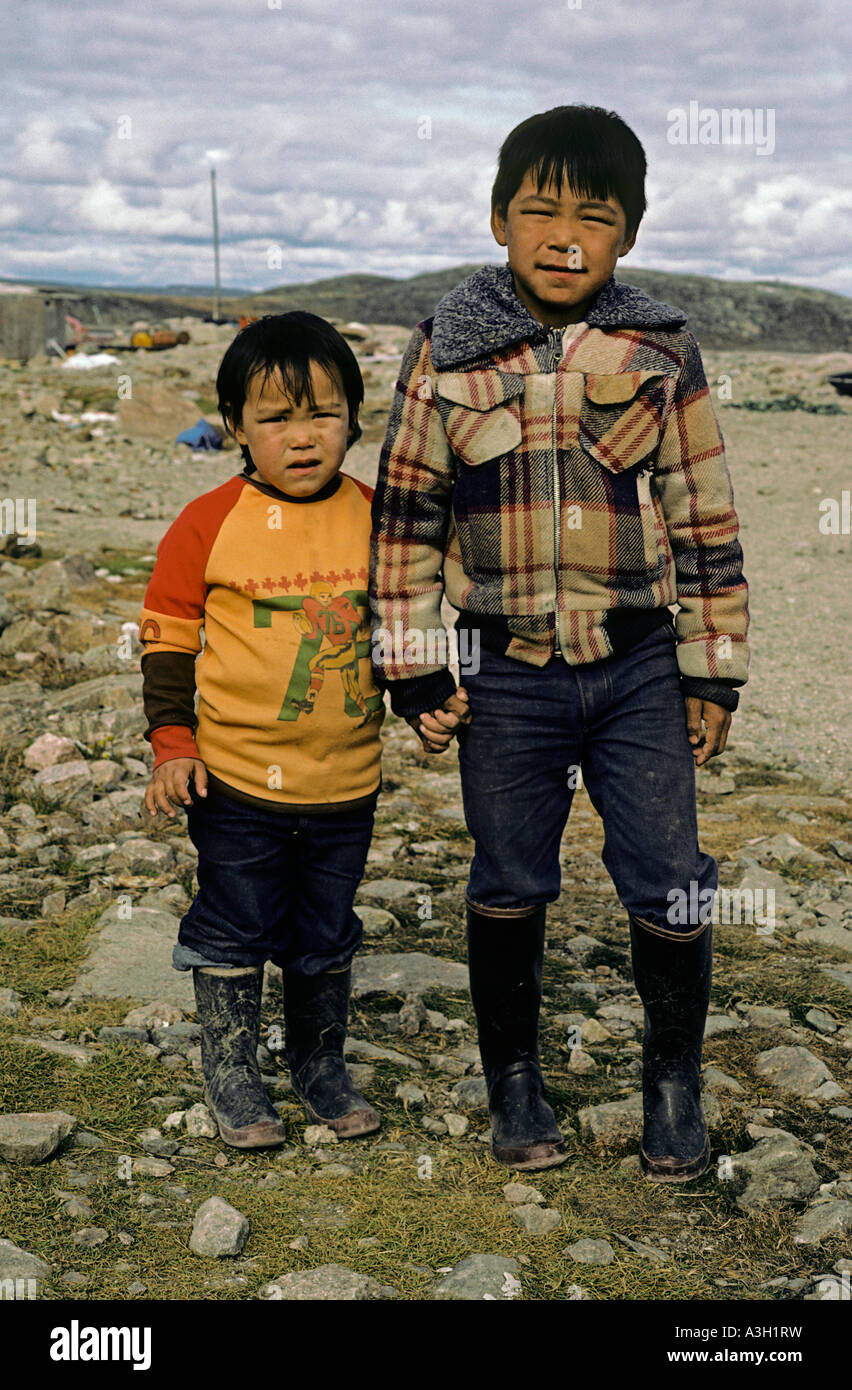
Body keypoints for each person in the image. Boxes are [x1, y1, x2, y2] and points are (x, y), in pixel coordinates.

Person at [369, 105, 749, 1179]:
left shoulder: (661, 347)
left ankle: (673, 1084)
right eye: (540, 209)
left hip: (636, 664)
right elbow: (403, 521)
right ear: (499, 220)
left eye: (597, 214)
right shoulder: (446, 345)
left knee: (669, 873)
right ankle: (516, 1085)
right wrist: (409, 663)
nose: (566, 233)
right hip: (503, 668)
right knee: (510, 875)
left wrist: (712, 669)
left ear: (626, 235)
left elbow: (708, 515)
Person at [140, 312, 385, 1148]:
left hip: (347, 784)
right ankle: (235, 1073)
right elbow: (168, 636)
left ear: (354, 416)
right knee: (236, 920)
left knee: (325, 929)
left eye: (322, 412)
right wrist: (172, 744)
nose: (302, 436)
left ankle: (320, 1066)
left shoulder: (380, 520)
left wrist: (434, 696)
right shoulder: (210, 521)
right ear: (237, 427)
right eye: (275, 417)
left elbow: (412, 622)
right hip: (237, 781)